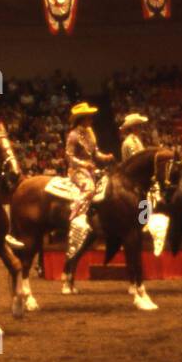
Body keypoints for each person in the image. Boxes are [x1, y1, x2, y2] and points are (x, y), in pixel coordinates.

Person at [63, 101, 114, 256]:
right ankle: (76, 215)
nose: (91, 120)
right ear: (82, 119)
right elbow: (69, 156)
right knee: (90, 187)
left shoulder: (90, 132)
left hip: (91, 168)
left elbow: (95, 152)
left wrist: (105, 157)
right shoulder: (73, 135)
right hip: (77, 170)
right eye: (89, 117)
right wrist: (84, 164)